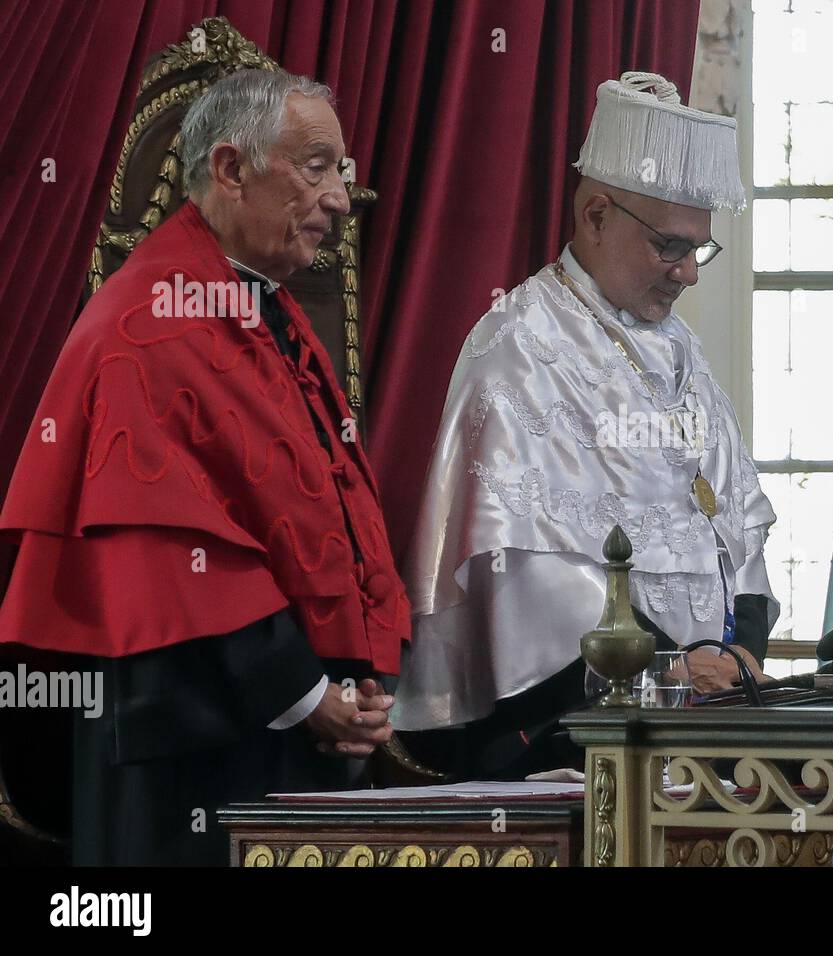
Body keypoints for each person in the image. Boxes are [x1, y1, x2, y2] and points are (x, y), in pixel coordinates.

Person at [0, 70, 410, 864]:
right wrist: (306, 696)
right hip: (196, 753)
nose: (338, 199)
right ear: (230, 170)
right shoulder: (148, 319)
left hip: (289, 732)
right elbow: (168, 548)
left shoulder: (261, 306)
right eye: (317, 168)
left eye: (343, 173)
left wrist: (356, 689)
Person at [393, 72, 778, 777]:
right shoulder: (516, 346)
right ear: (596, 215)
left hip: (711, 711)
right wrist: (669, 664)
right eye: (671, 246)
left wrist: (739, 649)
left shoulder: (681, 351)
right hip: (574, 721)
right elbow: (524, 570)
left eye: (700, 248)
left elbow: (735, 522)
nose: (689, 273)